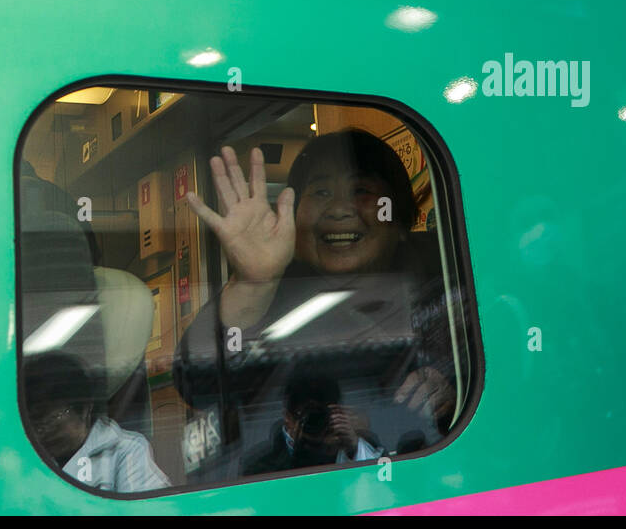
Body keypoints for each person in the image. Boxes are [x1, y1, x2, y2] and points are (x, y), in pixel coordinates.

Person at [174, 129, 459, 478]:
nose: (339, 209)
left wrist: (451, 389)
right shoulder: (275, 289)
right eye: (320, 191)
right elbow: (196, 384)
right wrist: (251, 282)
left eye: (362, 191)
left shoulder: (451, 277)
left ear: (401, 219)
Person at [23, 352, 170, 493]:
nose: (45, 430)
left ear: (85, 409)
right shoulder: (26, 459)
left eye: (52, 419)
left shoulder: (125, 450)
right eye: (36, 422)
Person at [244, 360, 384, 475]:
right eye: (308, 415)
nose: (316, 420)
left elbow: (384, 486)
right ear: (288, 418)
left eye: (322, 414)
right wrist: (297, 448)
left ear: (337, 413)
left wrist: (354, 449)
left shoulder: (363, 449)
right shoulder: (259, 467)